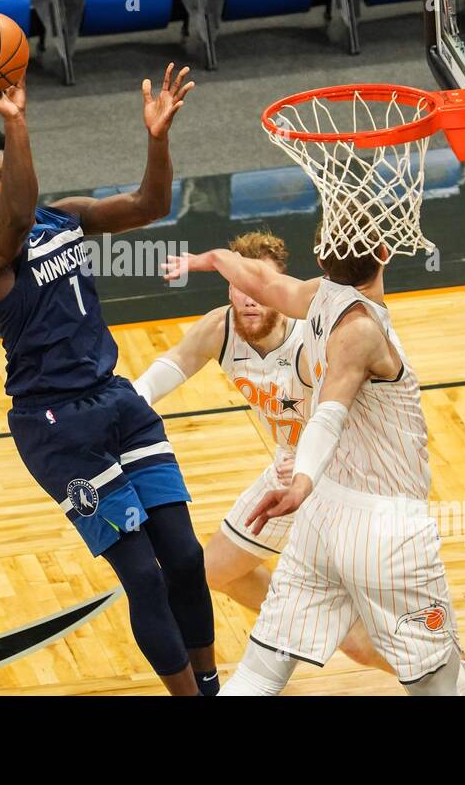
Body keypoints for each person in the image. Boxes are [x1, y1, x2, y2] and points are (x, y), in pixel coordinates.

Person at [0, 66, 219, 696]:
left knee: (187, 559)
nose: (6, 182)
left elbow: (151, 205)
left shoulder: (64, 218)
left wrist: (158, 138)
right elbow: (12, 222)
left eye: (10, 167)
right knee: (143, 576)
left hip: (117, 402)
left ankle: (211, 682)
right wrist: (15, 120)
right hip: (56, 431)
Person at [165, 223, 465, 696]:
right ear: (385, 251)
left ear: (320, 260)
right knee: (441, 684)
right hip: (386, 526)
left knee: (257, 674)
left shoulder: (315, 296)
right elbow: (329, 415)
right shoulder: (360, 332)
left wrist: (212, 258)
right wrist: (302, 481)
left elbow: (262, 281)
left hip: (320, 523)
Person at [131, 230, 392, 673]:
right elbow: (165, 371)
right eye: (239, 287)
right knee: (212, 573)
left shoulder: (315, 337)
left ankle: (444, 672)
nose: (249, 298)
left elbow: (351, 411)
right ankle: (315, 624)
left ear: (280, 291)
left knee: (361, 641)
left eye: (259, 288)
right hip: (288, 470)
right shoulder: (221, 328)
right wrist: (122, 409)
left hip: (344, 475)